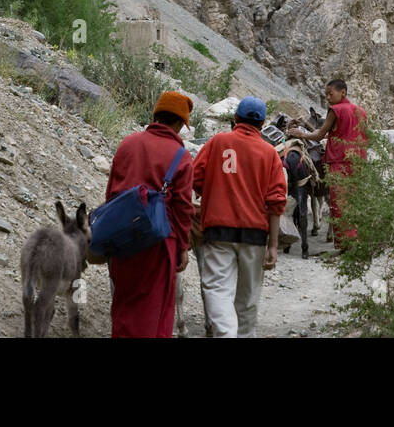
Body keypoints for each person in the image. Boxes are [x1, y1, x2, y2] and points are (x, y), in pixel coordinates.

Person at [192, 96, 288, 337]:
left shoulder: (217, 142)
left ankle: (225, 334)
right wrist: (273, 246)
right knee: (247, 299)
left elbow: (195, 178)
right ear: (263, 123)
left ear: (235, 119)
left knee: (217, 289)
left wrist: (214, 192)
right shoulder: (269, 153)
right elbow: (276, 202)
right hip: (255, 237)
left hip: (218, 232)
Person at [104, 90, 195, 338]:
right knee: (153, 311)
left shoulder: (127, 143)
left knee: (123, 305)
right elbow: (183, 207)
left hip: (120, 237)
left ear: (156, 116)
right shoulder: (181, 156)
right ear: (178, 123)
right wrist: (183, 247)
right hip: (158, 244)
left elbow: (111, 192)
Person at [287, 79, 368, 248]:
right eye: (326, 95)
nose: (328, 98)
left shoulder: (335, 110)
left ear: (343, 93)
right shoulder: (361, 111)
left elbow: (319, 135)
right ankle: (357, 242)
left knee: (339, 204)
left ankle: (344, 246)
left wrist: (300, 133)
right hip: (358, 161)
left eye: (331, 94)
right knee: (354, 202)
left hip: (339, 161)